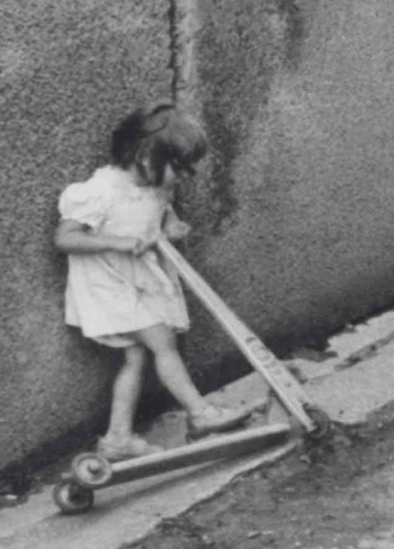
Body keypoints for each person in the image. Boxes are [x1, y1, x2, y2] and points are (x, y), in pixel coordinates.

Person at [57, 104, 251, 461]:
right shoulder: (101, 191)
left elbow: (159, 212)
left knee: (135, 357)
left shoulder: (156, 185)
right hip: (108, 284)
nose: (182, 177)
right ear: (144, 155)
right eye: (177, 166)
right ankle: (201, 413)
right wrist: (118, 243)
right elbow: (66, 238)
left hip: (138, 283)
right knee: (163, 342)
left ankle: (117, 439)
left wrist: (169, 227)